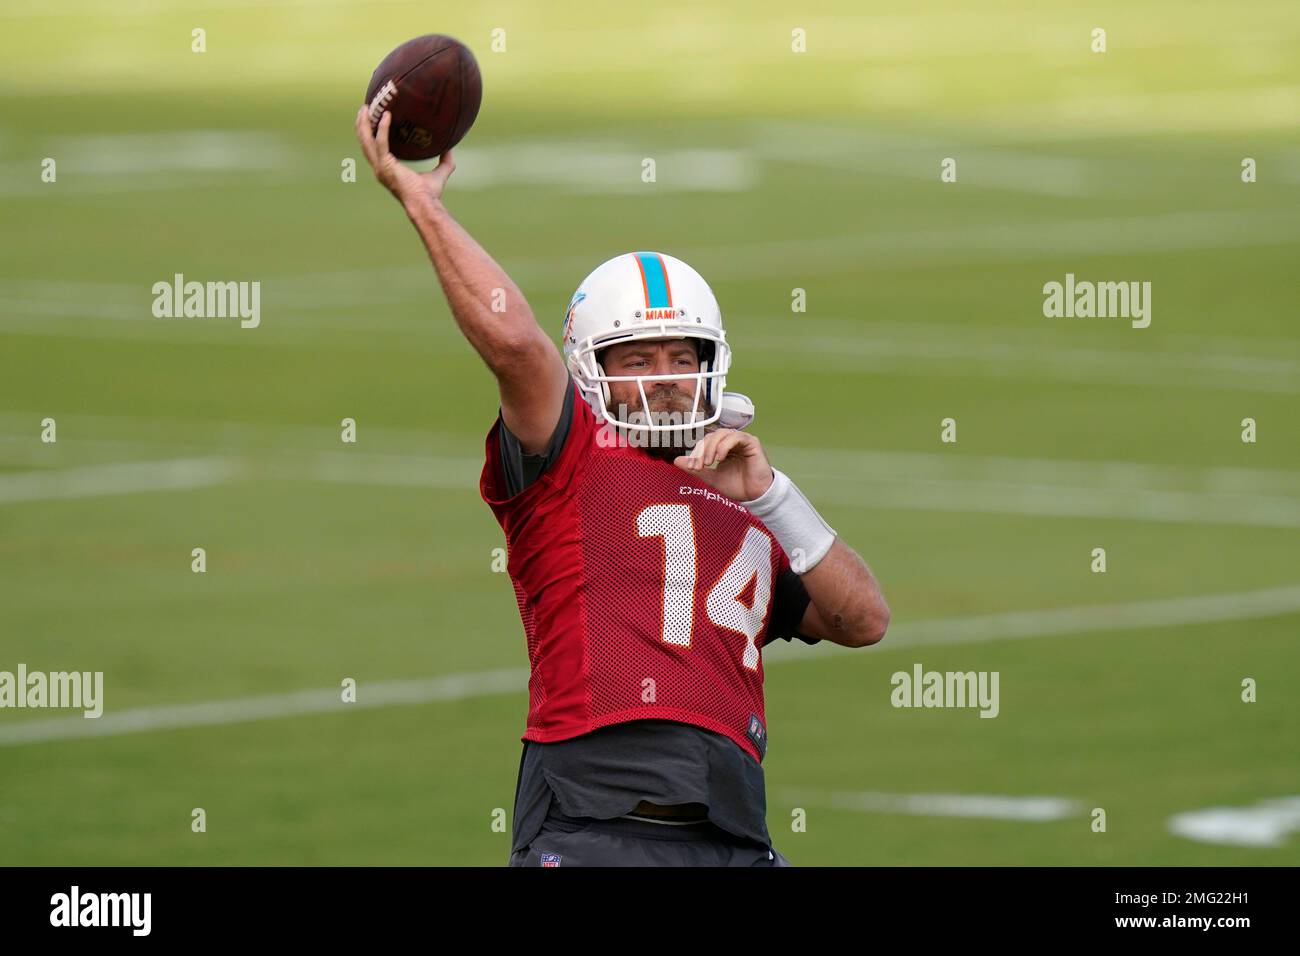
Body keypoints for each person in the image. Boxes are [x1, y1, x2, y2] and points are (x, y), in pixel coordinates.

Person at [355, 107, 891, 866]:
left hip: (733, 831)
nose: (666, 378)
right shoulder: (567, 453)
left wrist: (773, 497)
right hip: (593, 822)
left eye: (681, 354)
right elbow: (512, 343)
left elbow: (864, 619)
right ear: (588, 369)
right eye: (636, 359)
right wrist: (424, 204)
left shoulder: (746, 495)